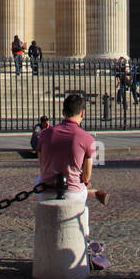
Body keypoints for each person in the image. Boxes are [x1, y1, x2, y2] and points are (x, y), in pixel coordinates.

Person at [38, 93, 107, 228]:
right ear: (82, 113)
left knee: (40, 178)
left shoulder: (45, 134)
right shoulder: (86, 138)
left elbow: (42, 166)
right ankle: (84, 237)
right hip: (72, 192)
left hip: (46, 191)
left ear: (63, 112)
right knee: (84, 205)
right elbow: (87, 176)